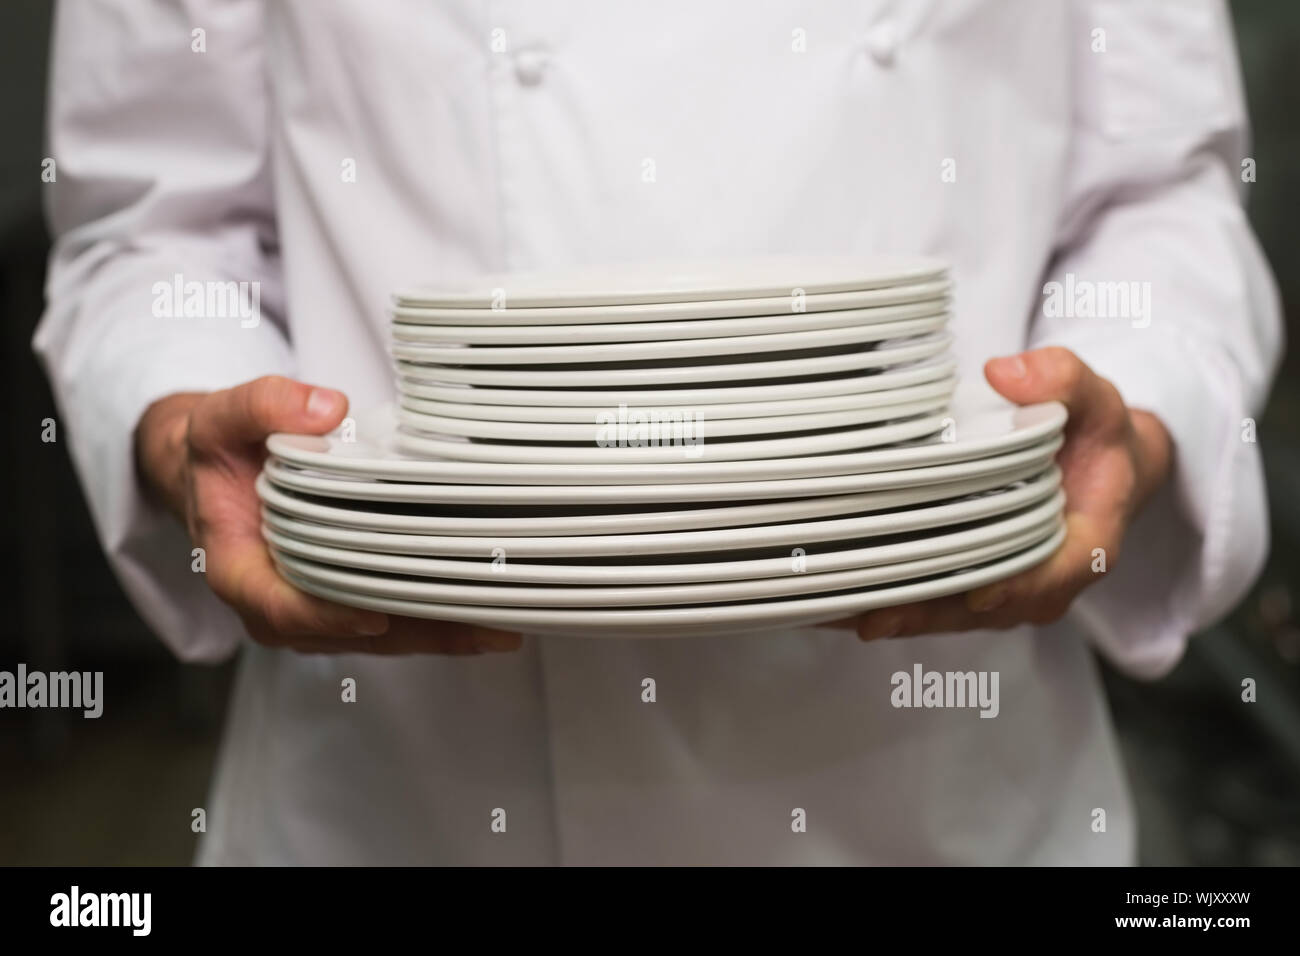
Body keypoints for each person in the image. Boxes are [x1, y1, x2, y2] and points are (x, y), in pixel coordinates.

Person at [35, 0, 1280, 864]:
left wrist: (1133, 395)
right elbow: (155, 221)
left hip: (939, 775)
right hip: (407, 786)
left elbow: (1161, 191)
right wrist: (188, 408)